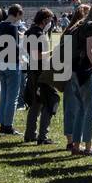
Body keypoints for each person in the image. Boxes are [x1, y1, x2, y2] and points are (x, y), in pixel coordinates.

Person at [62, 2, 92, 156]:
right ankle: (88, 147)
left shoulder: (76, 26)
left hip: (73, 70)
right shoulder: (91, 25)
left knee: (80, 111)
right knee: (91, 110)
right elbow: (90, 51)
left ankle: (76, 146)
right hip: (85, 71)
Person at [23, 8, 60, 144]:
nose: (51, 23)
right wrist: (52, 52)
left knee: (36, 102)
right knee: (52, 101)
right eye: (50, 20)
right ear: (44, 20)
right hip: (41, 72)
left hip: (33, 70)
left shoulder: (29, 32)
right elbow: (36, 55)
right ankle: (42, 136)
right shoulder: (38, 34)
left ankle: (30, 134)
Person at [0, 5, 26, 134]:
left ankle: (2, 122)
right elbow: (15, 47)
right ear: (17, 14)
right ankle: (8, 125)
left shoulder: (0, 25)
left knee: (4, 95)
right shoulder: (13, 27)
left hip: (1, 62)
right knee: (12, 97)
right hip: (12, 64)